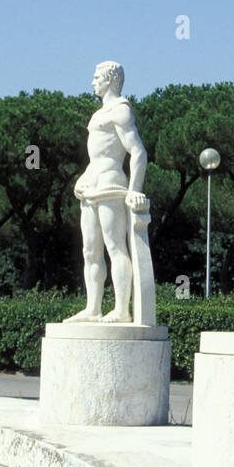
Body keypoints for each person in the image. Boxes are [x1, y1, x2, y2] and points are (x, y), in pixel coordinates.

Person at [66, 61, 148, 323]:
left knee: (115, 247)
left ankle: (122, 309)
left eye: (97, 77)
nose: (93, 82)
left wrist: (135, 189)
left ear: (111, 80)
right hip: (91, 186)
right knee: (90, 252)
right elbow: (96, 157)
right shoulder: (98, 114)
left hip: (112, 184)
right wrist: (83, 178)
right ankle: (93, 308)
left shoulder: (121, 110)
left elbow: (138, 152)